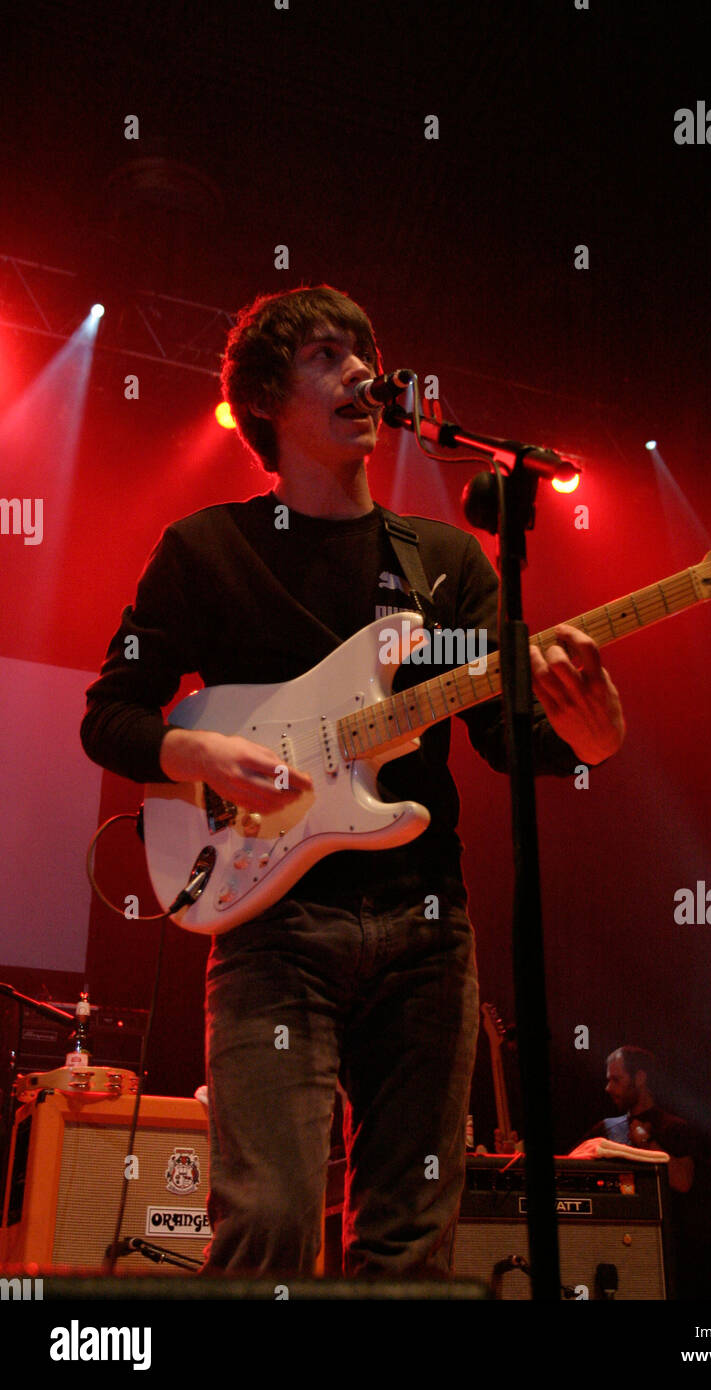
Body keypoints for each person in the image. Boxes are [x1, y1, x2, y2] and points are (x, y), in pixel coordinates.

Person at [80, 284, 625, 1280]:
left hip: (424, 929)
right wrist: (196, 753)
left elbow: (507, 736)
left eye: (365, 354)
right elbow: (108, 713)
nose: (361, 375)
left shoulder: (444, 563)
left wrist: (583, 741)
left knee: (410, 1237)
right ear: (265, 401)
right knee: (269, 1223)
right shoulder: (205, 551)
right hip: (269, 926)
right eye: (328, 357)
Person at [573, 1046, 694, 1193]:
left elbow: (683, 1183)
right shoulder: (604, 1128)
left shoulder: (674, 1127)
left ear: (639, 1078)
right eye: (608, 1080)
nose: (608, 1088)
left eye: (616, 1080)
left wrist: (646, 1142)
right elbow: (569, 1170)